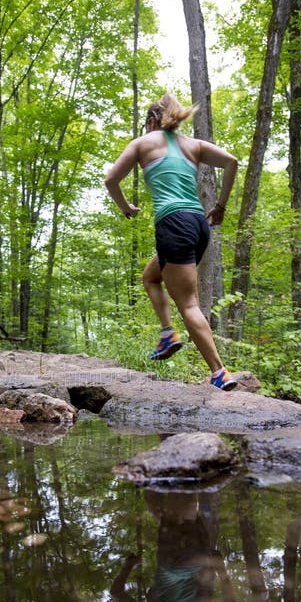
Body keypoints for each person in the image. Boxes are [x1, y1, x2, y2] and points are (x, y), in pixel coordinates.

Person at [105, 92, 238, 390]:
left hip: (173, 222)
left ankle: (220, 372)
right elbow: (232, 162)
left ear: (152, 121)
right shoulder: (194, 145)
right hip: (198, 225)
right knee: (151, 276)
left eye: (146, 124)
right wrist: (220, 207)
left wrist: (126, 208)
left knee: (189, 304)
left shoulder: (143, 143)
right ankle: (167, 334)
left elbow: (111, 180)